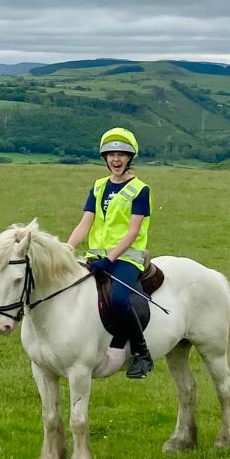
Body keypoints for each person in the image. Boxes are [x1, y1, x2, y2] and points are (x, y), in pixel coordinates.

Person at [66, 127, 154, 379]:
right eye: (111, 154)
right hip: (96, 257)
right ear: (105, 158)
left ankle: (141, 353)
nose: (116, 159)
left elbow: (133, 231)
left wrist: (110, 258)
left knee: (117, 299)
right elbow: (85, 222)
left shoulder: (140, 190)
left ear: (130, 158)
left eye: (122, 154)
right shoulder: (98, 187)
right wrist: (66, 249)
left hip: (126, 258)